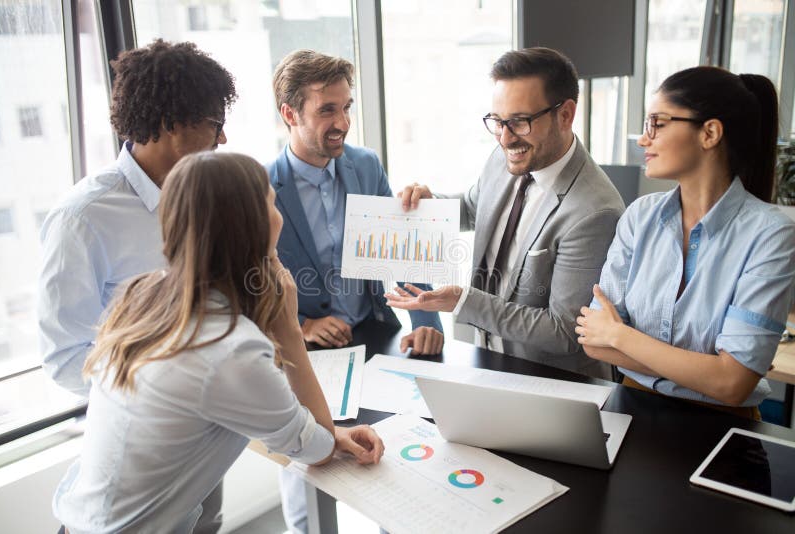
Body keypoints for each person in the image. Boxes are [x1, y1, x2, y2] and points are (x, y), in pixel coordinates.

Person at [52, 151, 384, 533]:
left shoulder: (145, 295)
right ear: (254, 227)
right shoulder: (229, 348)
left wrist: (323, 433)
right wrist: (290, 332)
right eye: (273, 206)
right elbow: (319, 449)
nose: (279, 217)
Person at [38, 39, 236, 532]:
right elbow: (65, 358)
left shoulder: (203, 197)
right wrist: (164, 391)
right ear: (172, 123)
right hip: (132, 476)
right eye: (214, 123)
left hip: (205, 453)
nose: (223, 138)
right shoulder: (83, 218)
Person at [267, 49, 443, 534]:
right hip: (303, 351)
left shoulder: (365, 165)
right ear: (290, 114)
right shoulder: (260, 185)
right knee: (308, 464)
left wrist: (425, 322)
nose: (342, 121)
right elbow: (243, 282)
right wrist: (301, 324)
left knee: (389, 457)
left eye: (346, 107)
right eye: (327, 110)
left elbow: (398, 248)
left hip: (373, 335)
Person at [390, 47, 624, 379]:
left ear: (566, 114)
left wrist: (462, 300)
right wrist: (433, 203)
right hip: (490, 360)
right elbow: (477, 208)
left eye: (520, 122)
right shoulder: (507, 154)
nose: (504, 137)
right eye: (497, 121)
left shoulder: (594, 212)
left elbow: (564, 332)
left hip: (551, 381)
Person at [575, 66, 795, 419]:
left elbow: (733, 384)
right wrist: (705, 371)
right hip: (630, 409)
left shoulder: (770, 234)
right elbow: (593, 341)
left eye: (657, 124)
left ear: (709, 133)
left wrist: (621, 336)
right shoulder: (639, 216)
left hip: (721, 429)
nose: (643, 139)